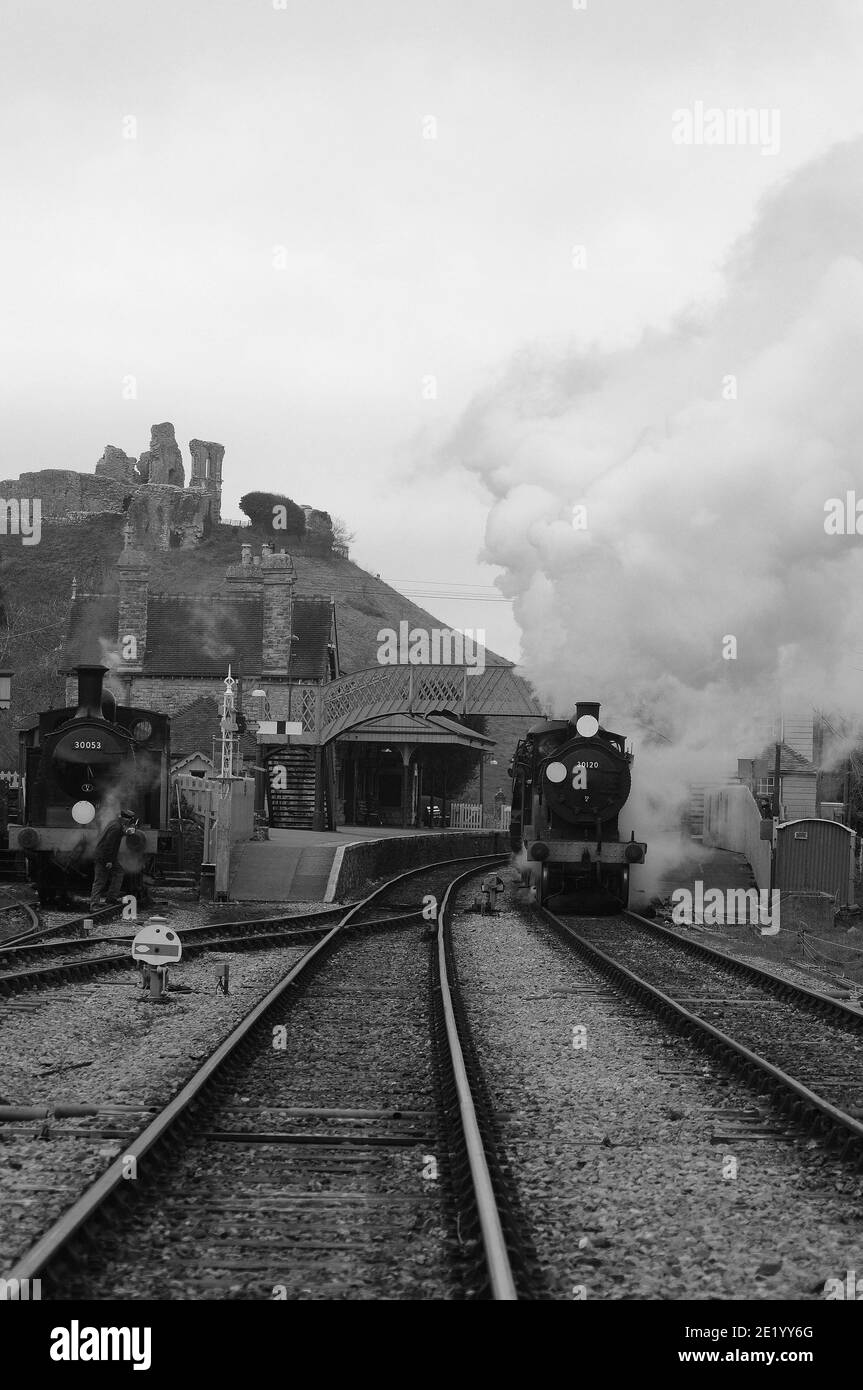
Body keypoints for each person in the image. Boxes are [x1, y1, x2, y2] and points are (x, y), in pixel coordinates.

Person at [90, 807, 137, 908]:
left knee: (118, 871)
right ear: (126, 819)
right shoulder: (116, 827)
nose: (129, 822)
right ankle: (94, 905)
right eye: (129, 820)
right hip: (103, 856)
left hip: (104, 855)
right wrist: (109, 860)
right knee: (100, 880)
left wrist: (126, 832)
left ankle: (111, 898)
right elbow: (109, 844)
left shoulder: (114, 823)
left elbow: (118, 833)